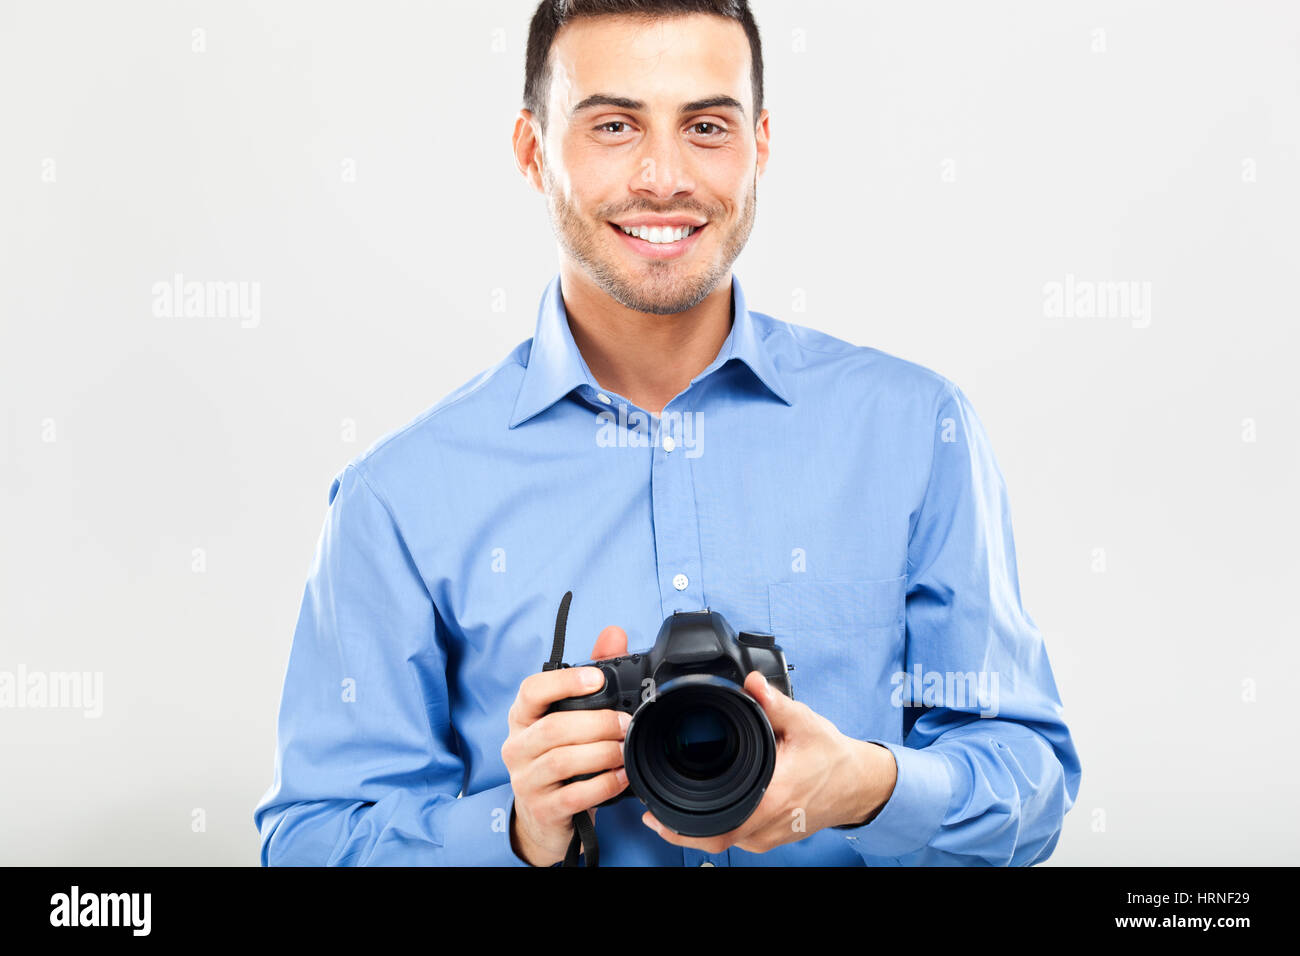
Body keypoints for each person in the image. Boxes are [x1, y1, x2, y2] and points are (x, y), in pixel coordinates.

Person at [254, 0, 1081, 867]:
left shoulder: (917, 433)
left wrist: (869, 786)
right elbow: (312, 843)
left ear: (761, 145)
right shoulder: (399, 498)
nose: (663, 176)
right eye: (614, 124)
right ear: (533, 152)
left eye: (707, 126)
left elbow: (1031, 784)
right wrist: (516, 832)